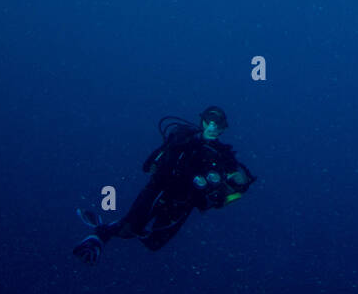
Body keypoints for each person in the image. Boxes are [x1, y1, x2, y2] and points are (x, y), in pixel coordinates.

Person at [73, 107, 255, 261]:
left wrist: (240, 181)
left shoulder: (223, 155)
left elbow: (236, 180)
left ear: (224, 128)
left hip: (184, 203)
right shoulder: (184, 136)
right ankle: (99, 235)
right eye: (210, 121)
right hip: (159, 190)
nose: (213, 127)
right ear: (202, 121)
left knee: (154, 244)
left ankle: (127, 226)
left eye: (219, 124)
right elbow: (156, 160)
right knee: (128, 230)